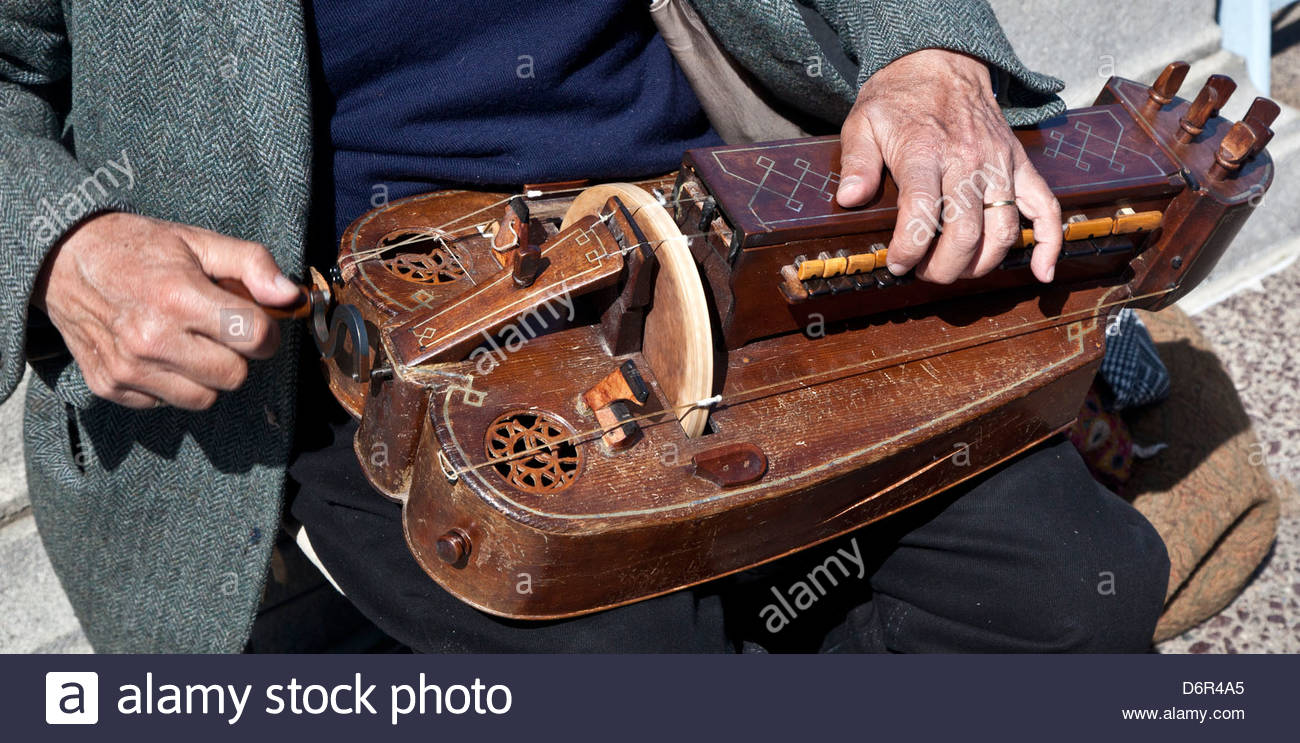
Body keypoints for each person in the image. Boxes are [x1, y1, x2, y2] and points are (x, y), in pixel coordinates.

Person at [0, 0, 1169, 652]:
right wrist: (63, 247)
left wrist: (928, 48)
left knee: (1073, 590)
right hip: (351, 331)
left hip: (691, 218)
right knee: (633, 672)